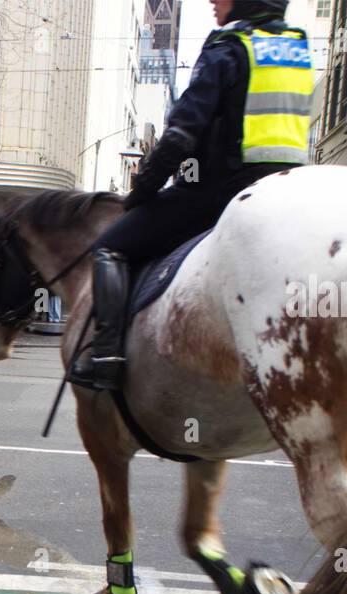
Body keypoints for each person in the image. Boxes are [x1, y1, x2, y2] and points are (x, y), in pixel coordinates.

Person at [71, 0, 312, 388]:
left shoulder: (229, 46)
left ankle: (108, 356)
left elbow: (183, 133)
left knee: (110, 248)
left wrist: (143, 190)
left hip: (221, 191)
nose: (212, 2)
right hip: (288, 189)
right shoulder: (298, 49)